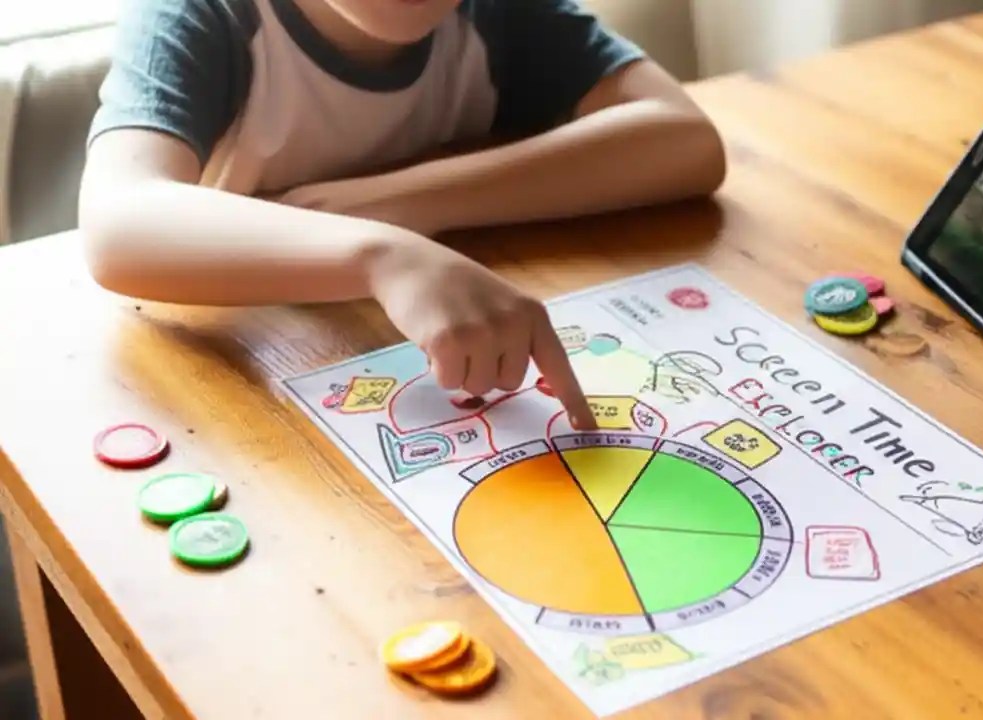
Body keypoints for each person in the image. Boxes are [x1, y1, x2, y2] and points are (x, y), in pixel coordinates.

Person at [78, 0, 729, 430]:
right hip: (262, 391)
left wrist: (409, 200)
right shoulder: (202, 16)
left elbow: (684, 140)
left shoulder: (495, 14)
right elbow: (119, 222)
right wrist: (384, 253)